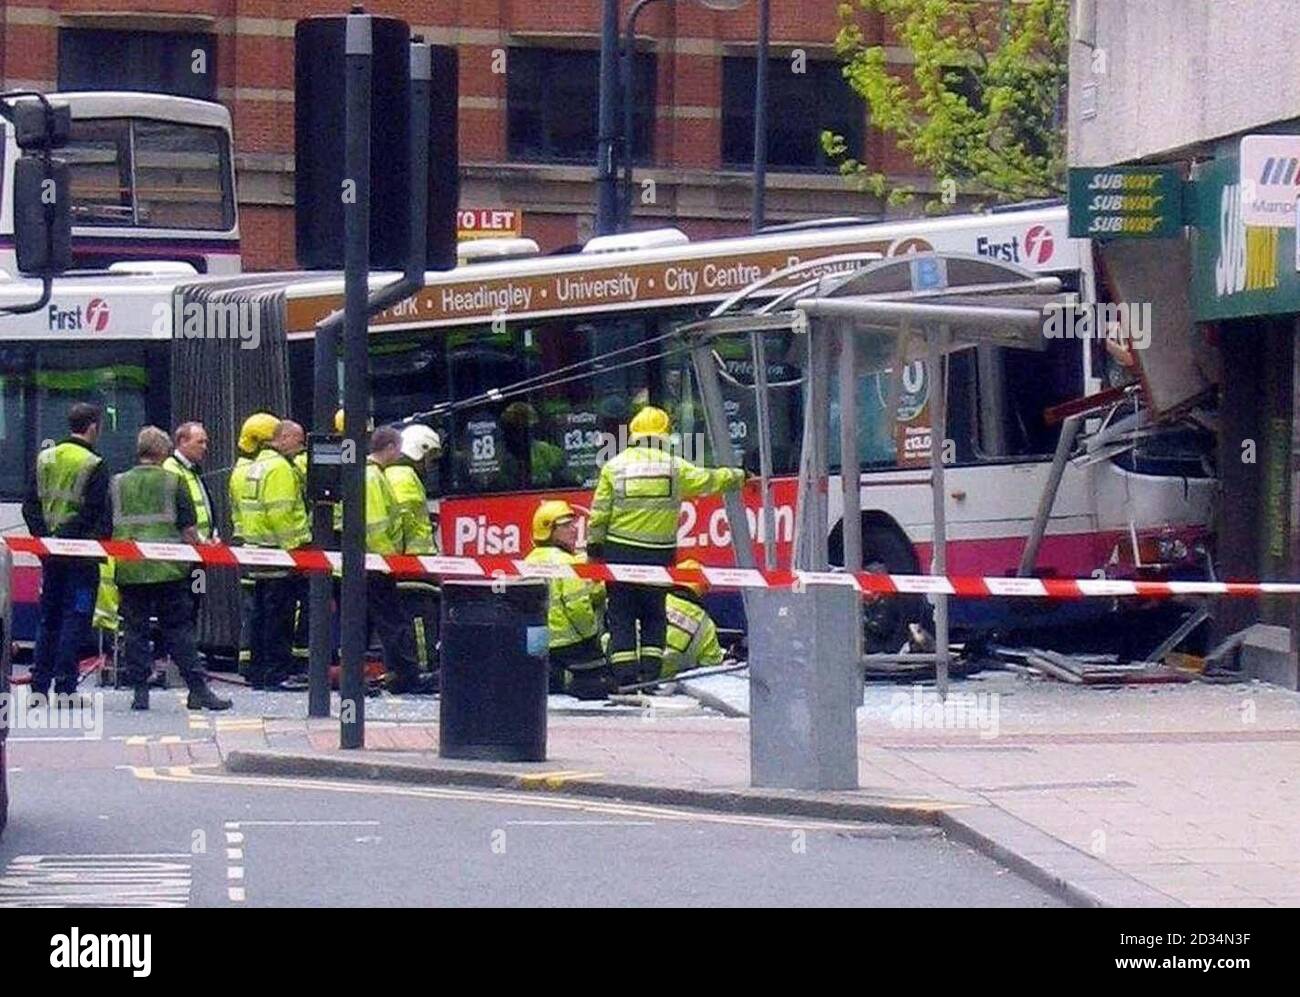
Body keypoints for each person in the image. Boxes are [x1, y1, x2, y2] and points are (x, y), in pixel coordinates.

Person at [587, 405, 745, 686]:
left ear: (634, 433)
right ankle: (649, 674)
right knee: (653, 613)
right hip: (658, 555)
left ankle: (624, 676)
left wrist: (595, 547)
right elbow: (708, 480)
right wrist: (740, 476)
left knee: (621, 612)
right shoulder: (674, 466)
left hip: (619, 552)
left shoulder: (614, 466)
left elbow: (600, 513)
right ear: (663, 435)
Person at [110, 426, 231, 712]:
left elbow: (107, 526)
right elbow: (188, 530)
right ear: (164, 451)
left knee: (135, 629)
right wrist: (200, 549)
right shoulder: (174, 482)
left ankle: (140, 692)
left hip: (130, 569)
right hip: (170, 570)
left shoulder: (116, 483)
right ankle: (198, 690)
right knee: (179, 630)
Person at [22, 402, 110, 703]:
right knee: (76, 617)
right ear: (93, 427)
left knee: (48, 617)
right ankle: (65, 686)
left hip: (50, 557)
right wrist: (67, 538)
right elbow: (94, 512)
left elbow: (30, 506)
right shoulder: (93, 463)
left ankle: (39, 686)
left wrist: (46, 540)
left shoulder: (45, 458)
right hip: (81, 557)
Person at [236, 419, 309, 690]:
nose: (301, 449)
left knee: (259, 615)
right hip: (279, 554)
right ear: (285, 438)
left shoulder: (247, 466)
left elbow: (238, 514)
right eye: (298, 441)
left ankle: (258, 671)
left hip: (254, 552)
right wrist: (295, 550)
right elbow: (281, 513)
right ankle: (277, 673)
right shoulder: (280, 468)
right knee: (279, 617)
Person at [525, 500, 610, 699]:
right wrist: (590, 635)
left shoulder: (526, 561)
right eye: (565, 526)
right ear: (548, 530)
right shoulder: (567, 563)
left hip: (536, 643)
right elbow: (577, 606)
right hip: (570, 644)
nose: (573, 530)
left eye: (573, 524)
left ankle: (556, 678)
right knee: (600, 680)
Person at [364, 427, 425, 693]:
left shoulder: (373, 474)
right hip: (378, 562)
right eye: (398, 449)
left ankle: (396, 673)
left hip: (372, 562)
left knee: (379, 620)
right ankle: (405, 676)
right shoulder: (372, 477)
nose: (399, 454)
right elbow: (376, 524)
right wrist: (388, 560)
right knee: (393, 620)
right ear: (389, 448)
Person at [385, 424, 442, 680]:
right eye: (429, 457)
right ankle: (420, 672)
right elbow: (404, 517)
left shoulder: (397, 474)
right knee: (418, 621)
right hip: (410, 566)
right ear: (420, 450)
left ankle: (411, 671)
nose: (429, 465)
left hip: (408, 563)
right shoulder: (404, 477)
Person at [229, 412, 279, 676]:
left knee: (252, 607)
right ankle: (263, 664)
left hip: (247, 547)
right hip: (268, 550)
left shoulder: (239, 469)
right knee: (267, 609)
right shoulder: (264, 469)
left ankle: (248, 661)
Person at [163, 422, 216, 633]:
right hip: (183, 555)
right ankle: (180, 650)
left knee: (196, 597)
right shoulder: (171, 469)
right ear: (182, 442)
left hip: (200, 555)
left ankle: (191, 643)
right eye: (200, 442)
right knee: (182, 605)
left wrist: (213, 534)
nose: (205, 447)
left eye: (206, 442)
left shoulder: (193, 470)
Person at [662, 558, 724, 678]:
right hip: (663, 682)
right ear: (702, 590)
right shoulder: (705, 625)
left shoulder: (653, 601)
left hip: (624, 671)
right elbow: (712, 666)